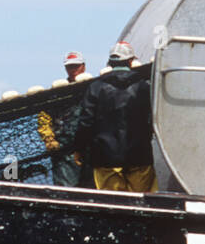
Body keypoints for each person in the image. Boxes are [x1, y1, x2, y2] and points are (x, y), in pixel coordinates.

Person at [65, 41, 158, 193]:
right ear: (130, 61)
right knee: (142, 199)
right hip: (140, 155)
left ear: (110, 62)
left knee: (114, 201)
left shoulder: (96, 87)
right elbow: (154, 118)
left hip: (106, 157)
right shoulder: (143, 86)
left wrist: (79, 149)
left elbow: (86, 123)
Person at [37, 52, 93, 187]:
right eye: (70, 67)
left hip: (91, 149)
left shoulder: (94, 88)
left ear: (83, 66)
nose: (73, 70)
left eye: (76, 66)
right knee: (66, 189)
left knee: (92, 189)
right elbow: (44, 117)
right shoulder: (58, 92)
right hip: (64, 151)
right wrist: (49, 139)